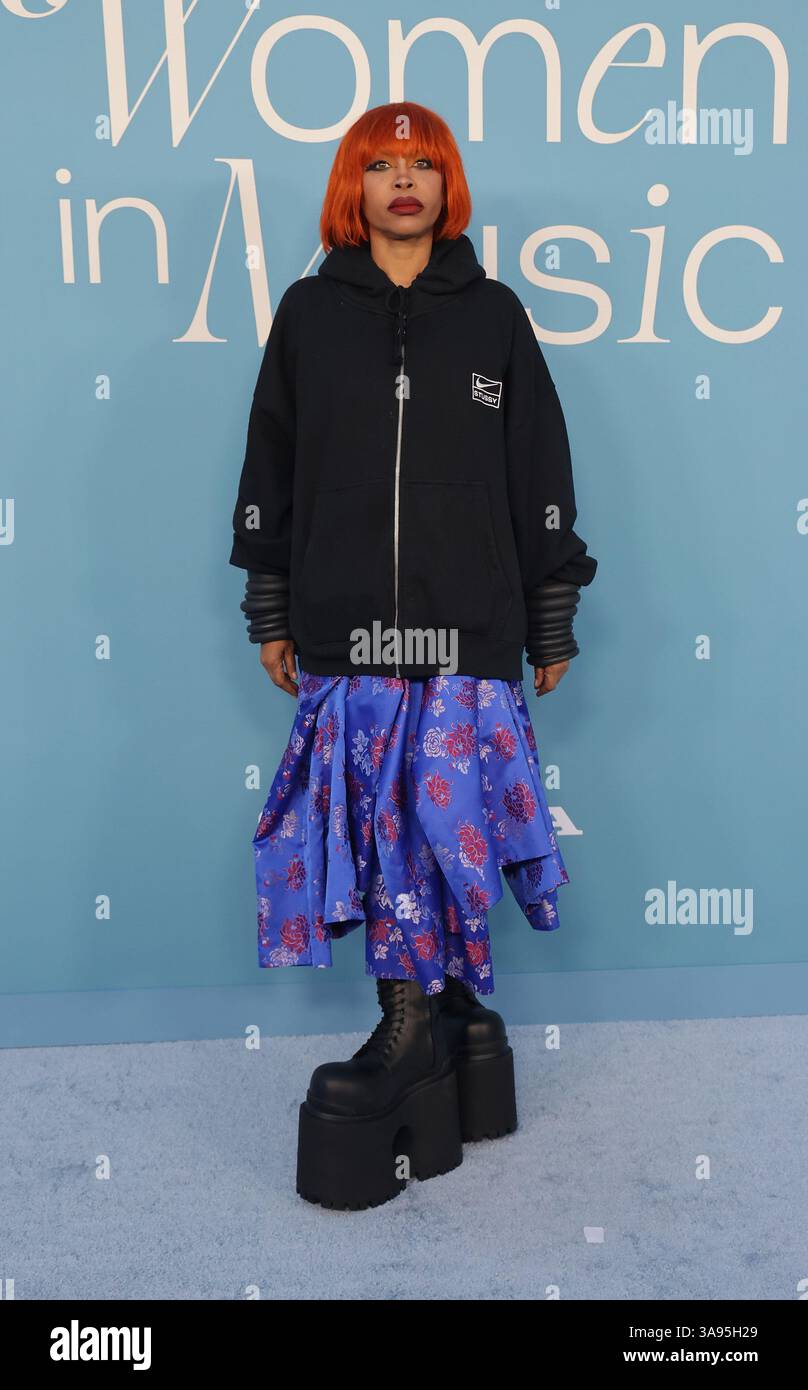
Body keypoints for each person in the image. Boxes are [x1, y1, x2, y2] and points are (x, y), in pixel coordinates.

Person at [229, 101, 597, 1210]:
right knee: (381, 830)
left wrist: (548, 610)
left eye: (421, 165)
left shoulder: (492, 316)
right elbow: (273, 458)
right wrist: (271, 598)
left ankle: (444, 1019)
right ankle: (422, 1019)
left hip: (466, 631)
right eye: (380, 164)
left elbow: (538, 460)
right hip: (350, 634)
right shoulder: (308, 313)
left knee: (447, 829)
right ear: (356, 185)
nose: (402, 182)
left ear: (445, 188)